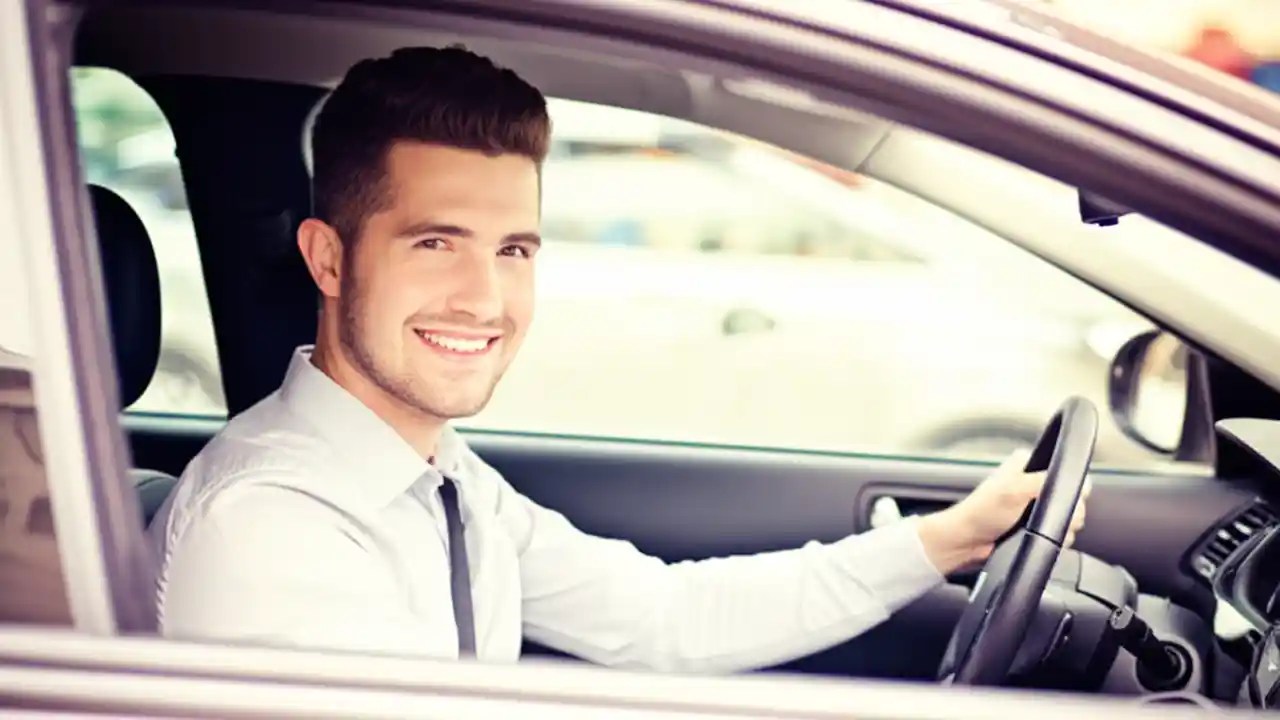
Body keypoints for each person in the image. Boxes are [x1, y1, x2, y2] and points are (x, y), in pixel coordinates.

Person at [149, 46, 1087, 671]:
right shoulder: (270, 529)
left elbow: (664, 619)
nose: (485, 299)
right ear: (328, 258)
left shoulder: (435, 476)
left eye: (513, 249)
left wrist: (951, 537)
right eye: (436, 243)